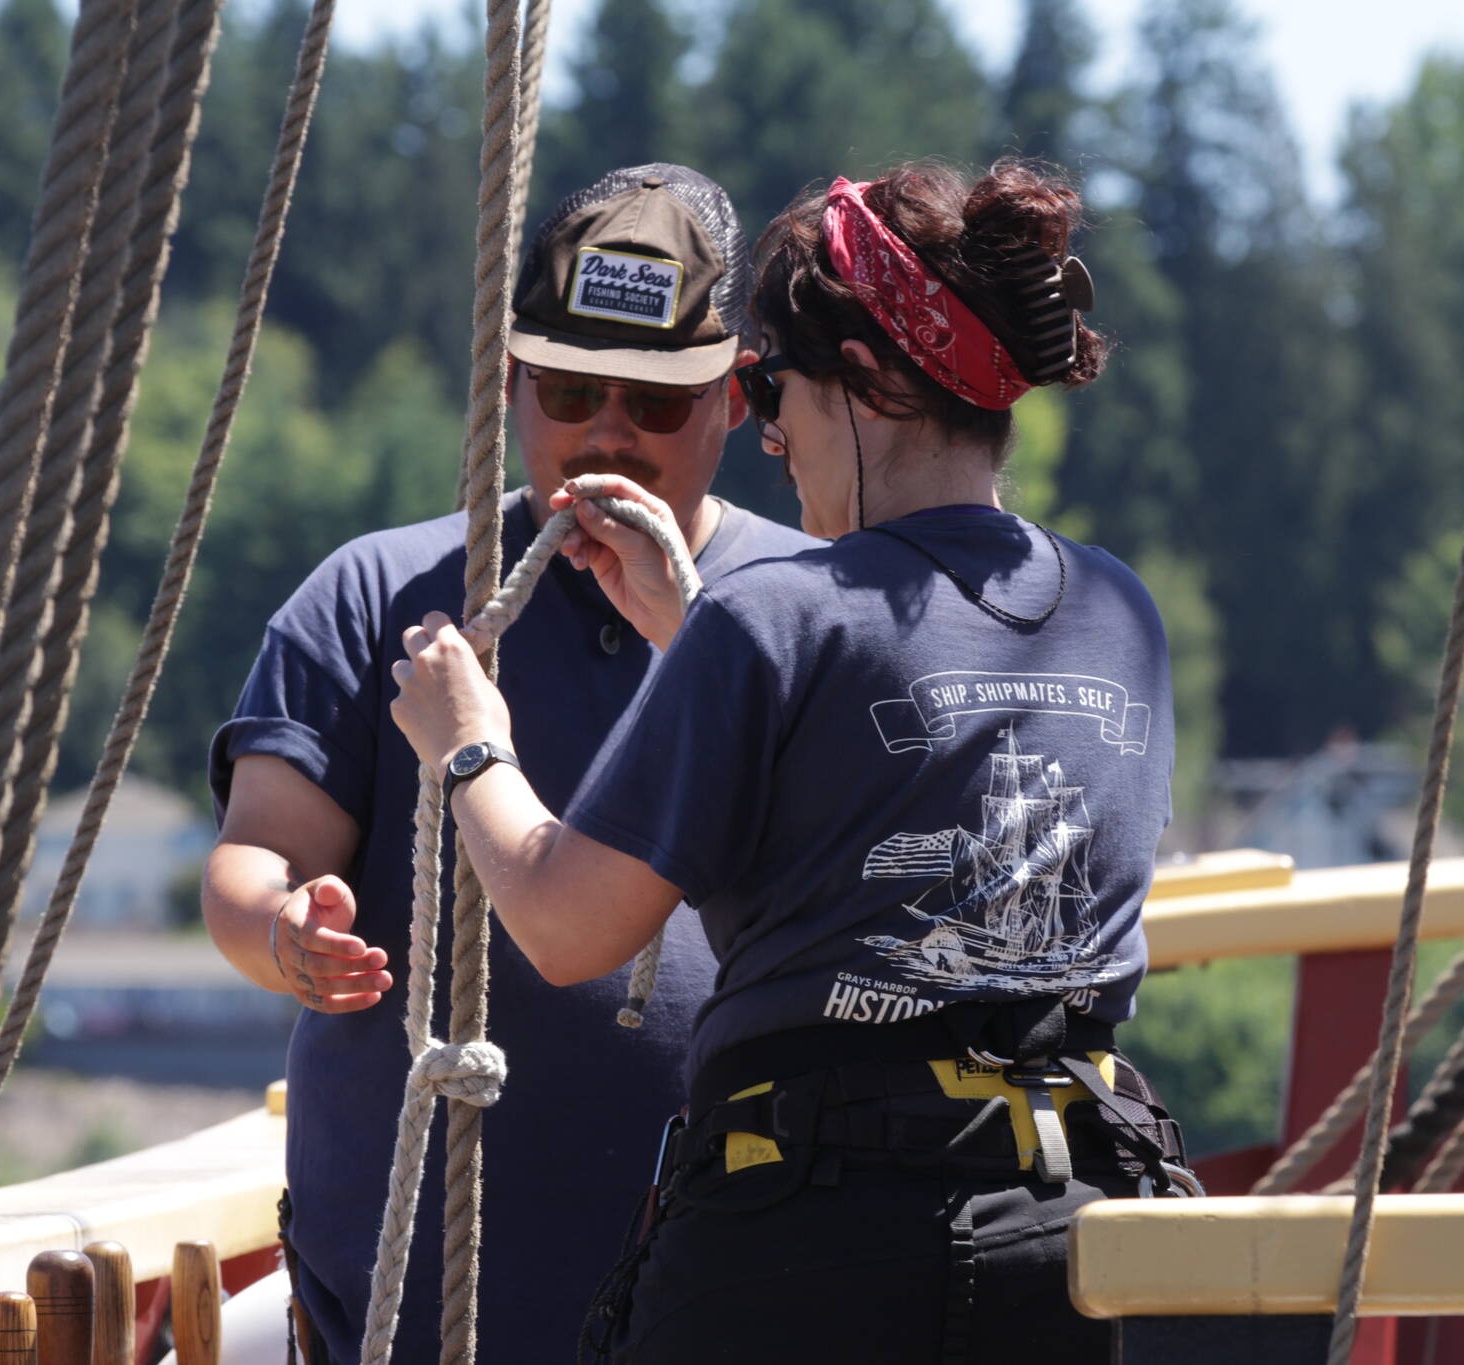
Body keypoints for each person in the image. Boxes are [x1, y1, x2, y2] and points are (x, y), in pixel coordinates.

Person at [391, 158, 1192, 1364]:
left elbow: (565, 926)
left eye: (774, 387)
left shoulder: (774, 614)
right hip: (1083, 1231)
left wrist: (468, 747)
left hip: (812, 1252)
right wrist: (691, 631)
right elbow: (874, 755)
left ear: (862, 384)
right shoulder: (1117, 615)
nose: (767, 437)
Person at [201, 163, 818, 1365]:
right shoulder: (377, 598)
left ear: (733, 402)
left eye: (653, 403)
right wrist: (286, 933)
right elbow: (251, 859)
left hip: (734, 1294)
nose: (606, 434)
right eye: (572, 390)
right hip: (408, 1302)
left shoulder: (806, 614)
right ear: (512, 387)